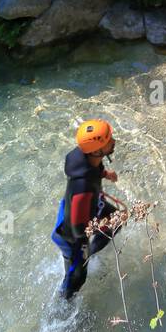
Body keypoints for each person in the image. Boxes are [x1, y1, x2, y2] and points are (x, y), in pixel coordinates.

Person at [51, 119, 120, 299]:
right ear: (97, 150)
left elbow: (93, 169)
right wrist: (101, 227)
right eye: (108, 140)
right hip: (71, 235)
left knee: (117, 220)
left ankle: (92, 253)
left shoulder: (83, 155)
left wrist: (106, 174)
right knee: (77, 279)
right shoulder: (82, 187)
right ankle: (63, 311)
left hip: (82, 208)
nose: (113, 141)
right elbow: (78, 230)